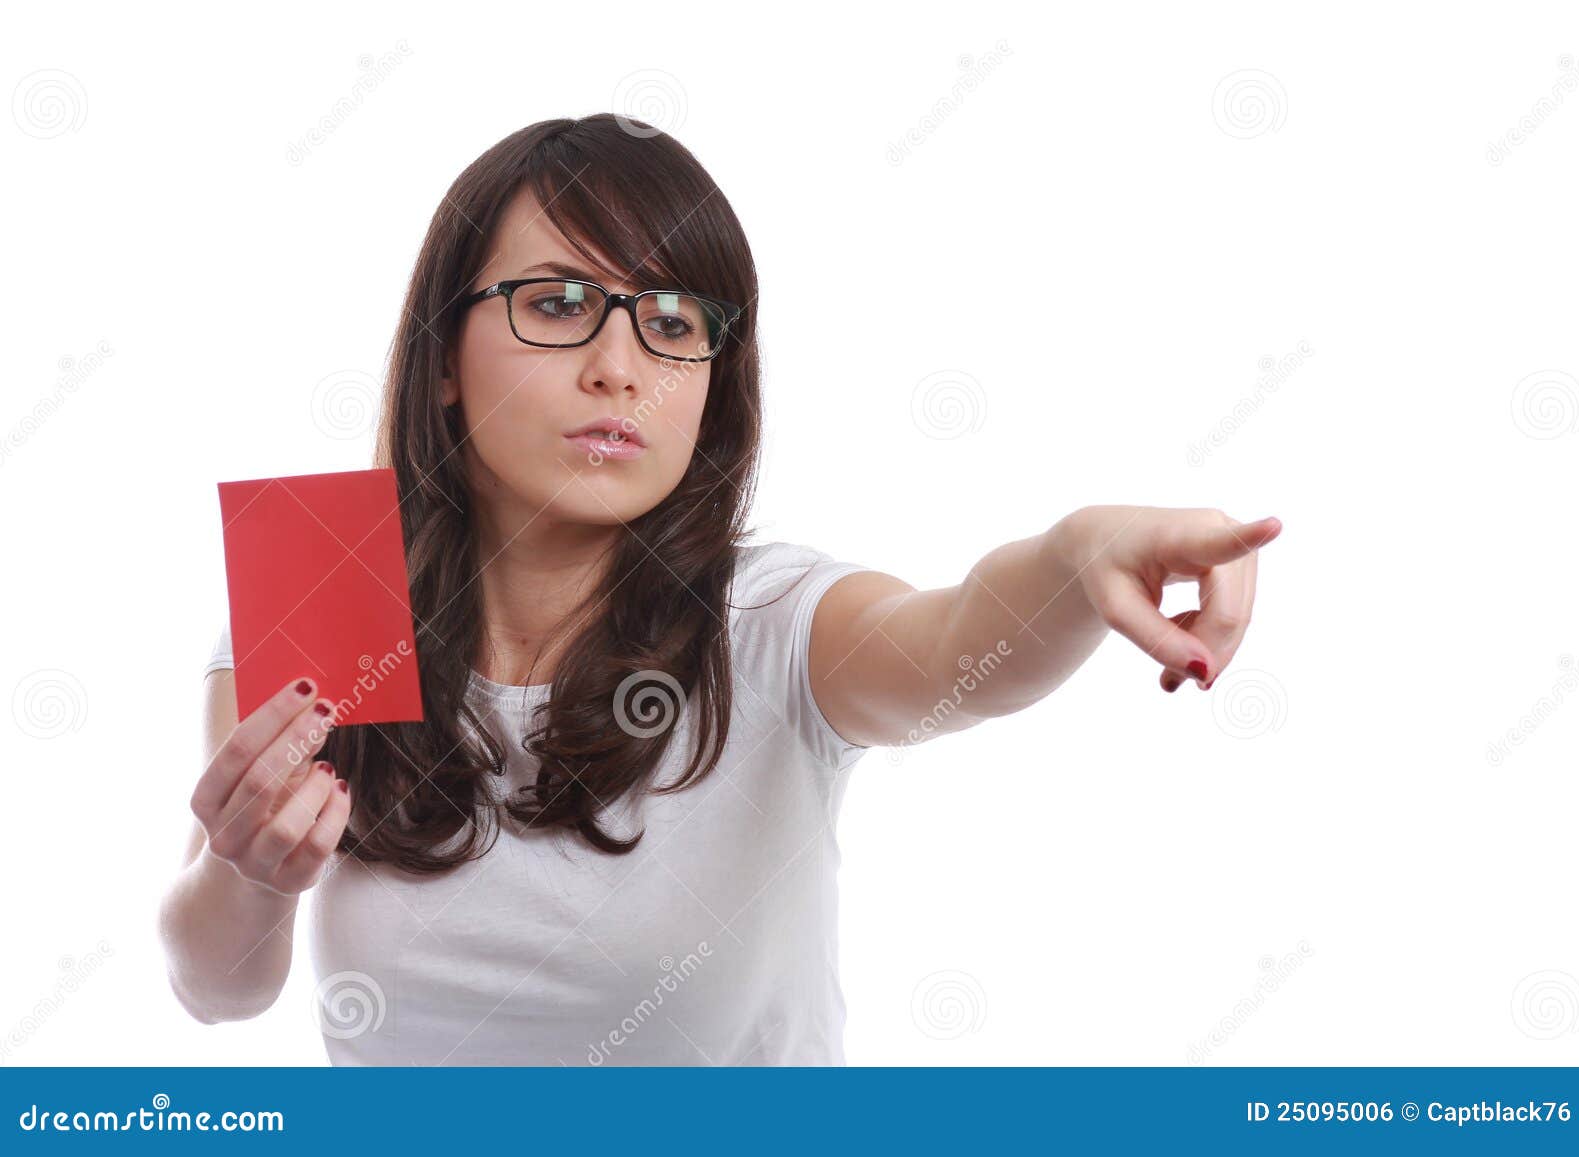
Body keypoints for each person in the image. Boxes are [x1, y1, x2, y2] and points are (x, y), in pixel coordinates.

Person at [158, 113, 1282, 1066]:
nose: (621, 366)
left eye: (672, 321)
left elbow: (952, 644)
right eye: (557, 302)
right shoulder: (323, 587)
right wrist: (246, 873)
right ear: (443, 357)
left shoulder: (777, 621)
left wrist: (1076, 557)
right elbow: (218, 989)